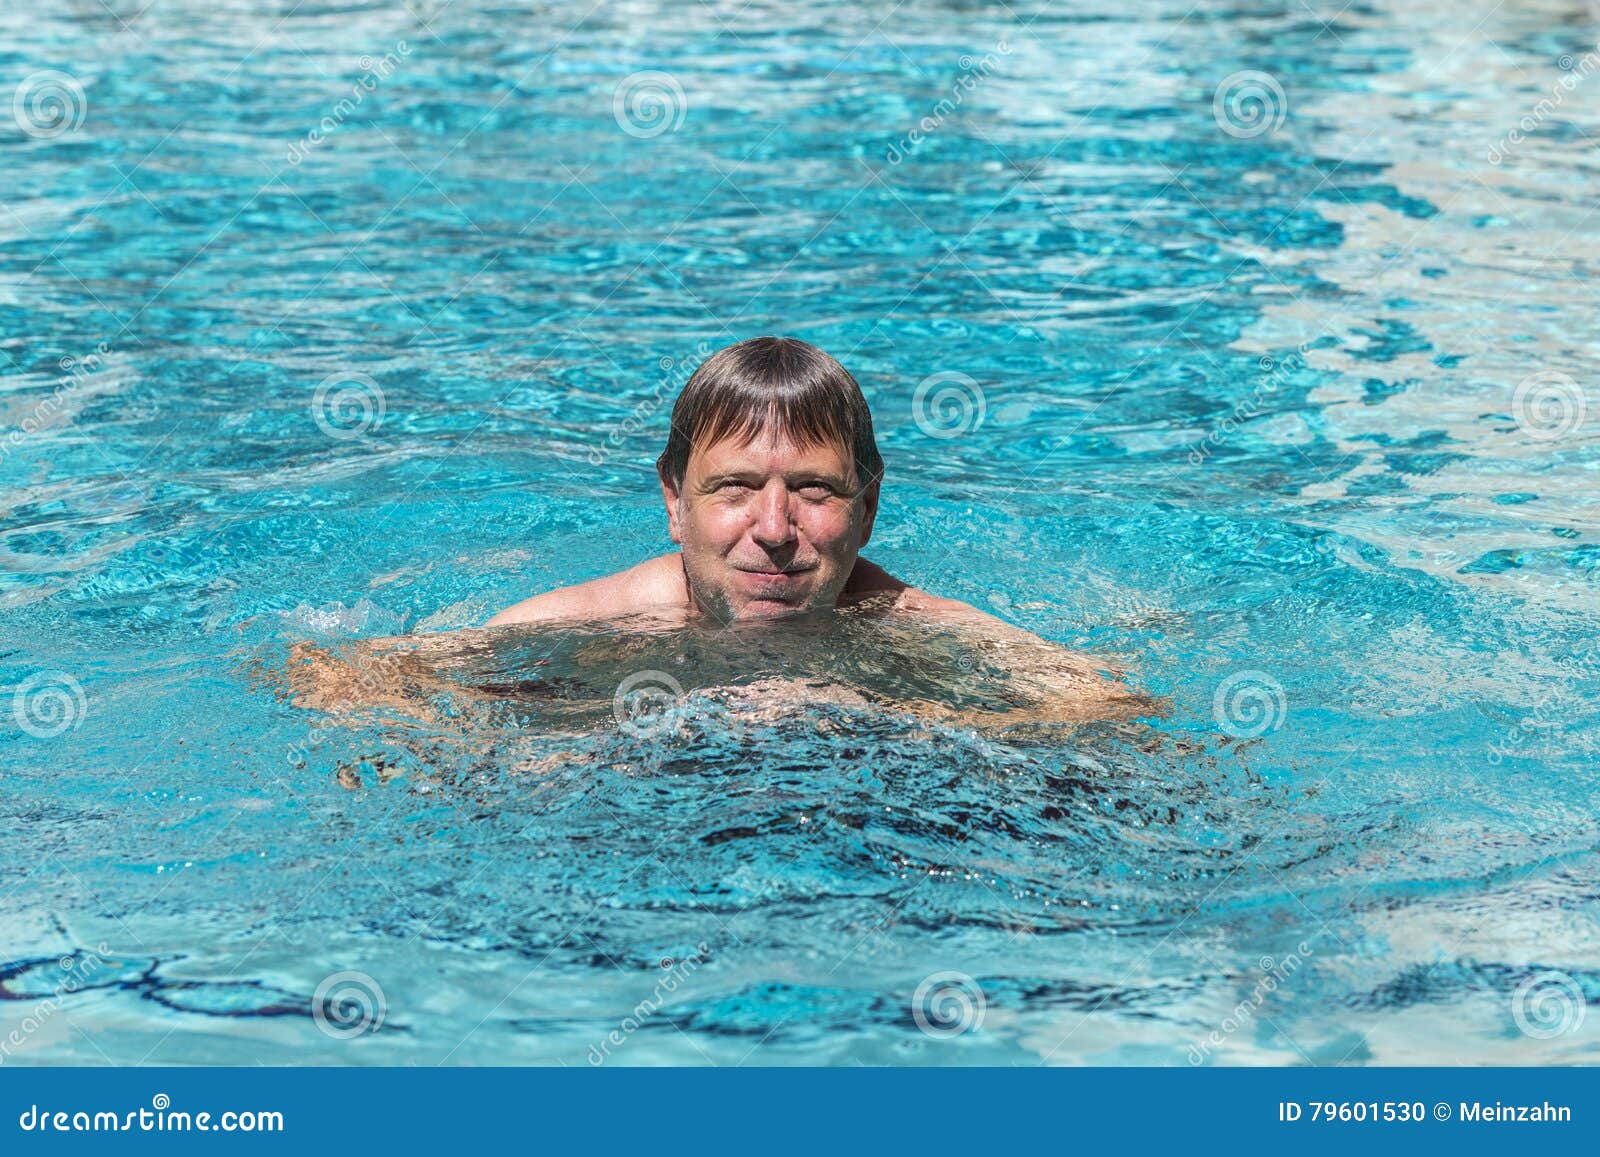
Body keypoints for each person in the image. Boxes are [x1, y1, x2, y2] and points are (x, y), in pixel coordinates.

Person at [288, 337, 1151, 738]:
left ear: (868, 507)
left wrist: (873, 714)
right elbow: (327, 677)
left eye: (813, 490)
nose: (772, 529)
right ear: (674, 502)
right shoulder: (600, 619)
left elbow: (1120, 712)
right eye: (734, 488)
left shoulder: (919, 628)